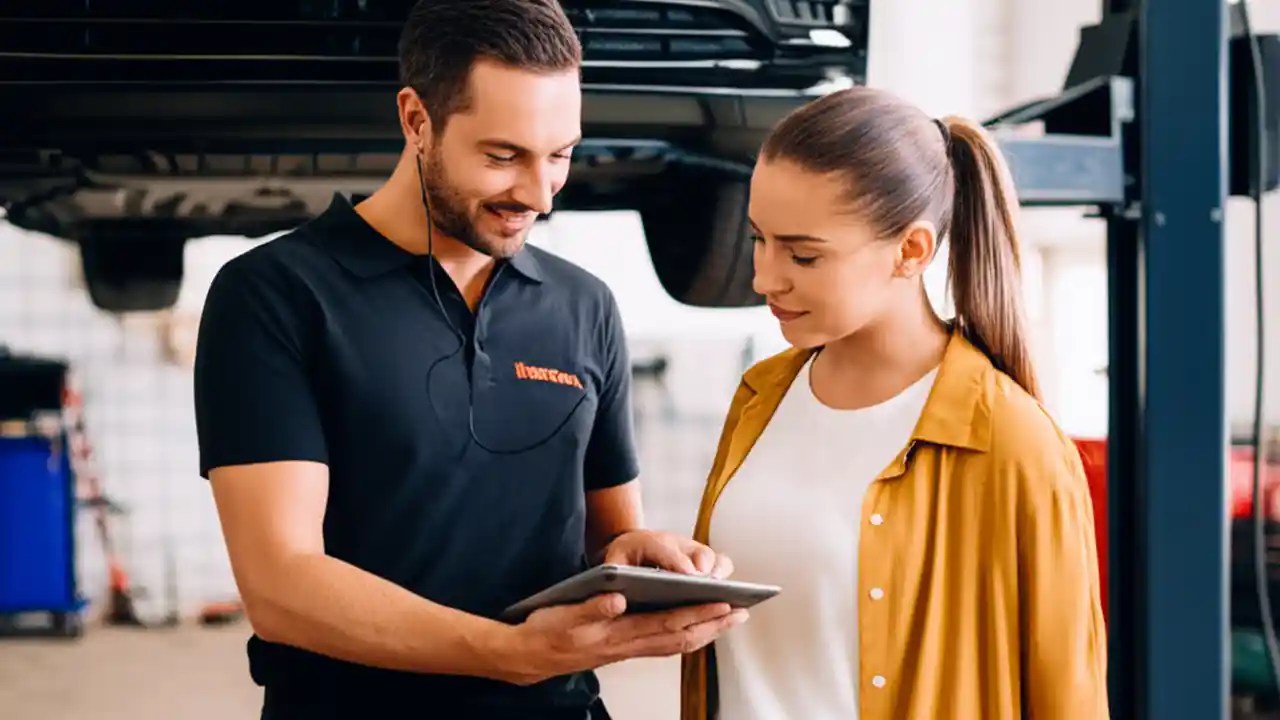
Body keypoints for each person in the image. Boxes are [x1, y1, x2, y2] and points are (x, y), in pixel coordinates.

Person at [192, 2, 743, 718]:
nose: (538, 195)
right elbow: (280, 585)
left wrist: (649, 558)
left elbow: (607, 532)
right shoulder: (277, 295)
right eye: (503, 156)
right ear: (416, 120)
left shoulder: (584, 305)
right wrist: (504, 653)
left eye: (560, 156)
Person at [679, 86, 1110, 720]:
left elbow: (1068, 696)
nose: (765, 278)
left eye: (803, 254)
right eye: (758, 239)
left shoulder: (1011, 441)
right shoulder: (759, 398)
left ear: (911, 251)